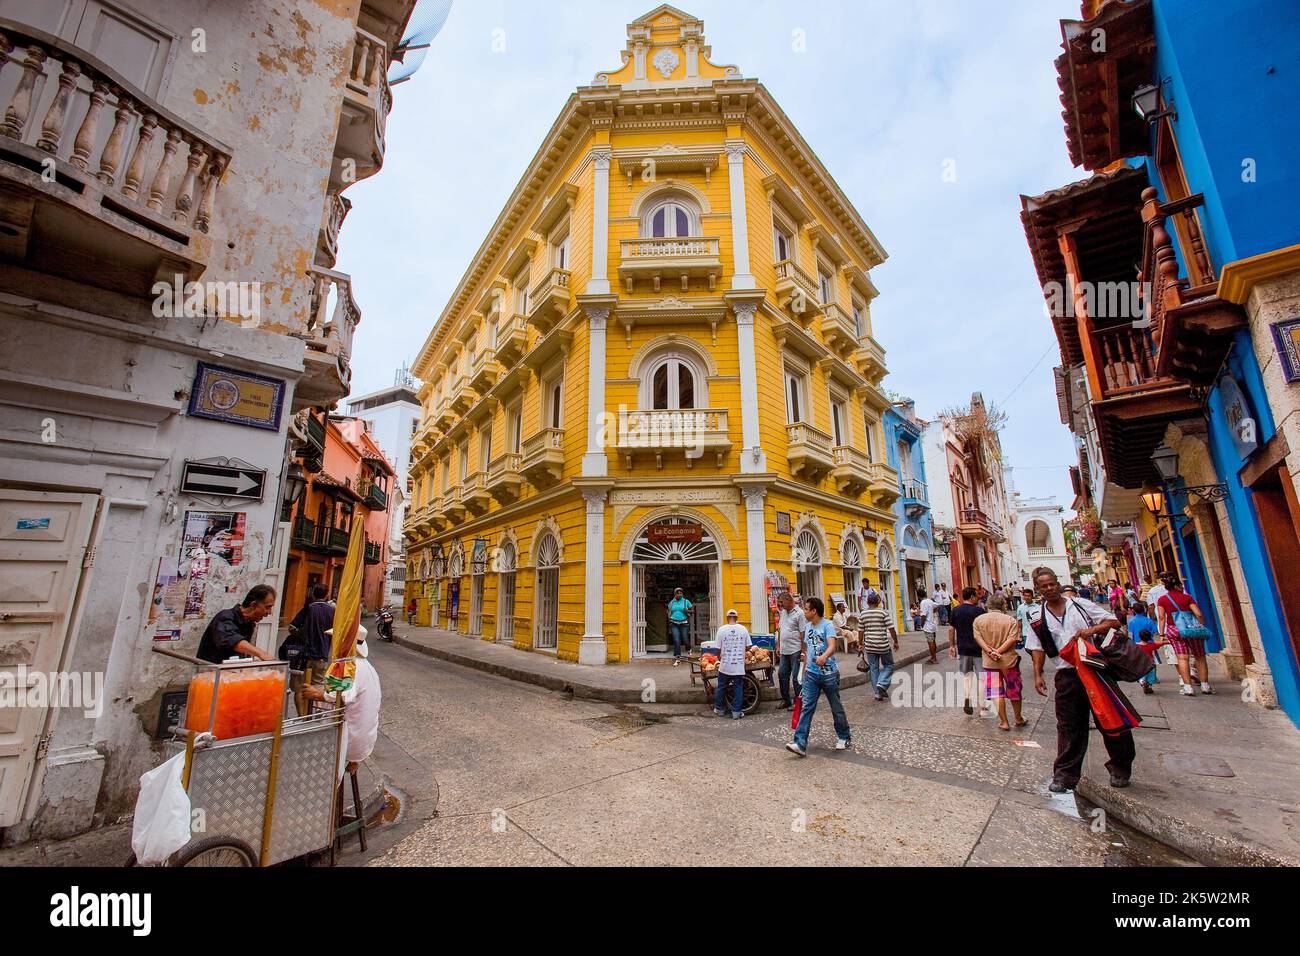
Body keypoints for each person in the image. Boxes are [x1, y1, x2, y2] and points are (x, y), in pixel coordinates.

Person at [1026, 567, 1133, 792]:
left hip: (1095, 670)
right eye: (1043, 586)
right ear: (1038, 590)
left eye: (1052, 583)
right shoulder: (1037, 617)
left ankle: (1120, 767)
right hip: (1067, 675)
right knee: (1068, 726)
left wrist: (1091, 630)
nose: (1049, 588)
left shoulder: (1081, 605)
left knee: (1110, 720)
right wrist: (1038, 674)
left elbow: (1112, 622)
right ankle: (1064, 775)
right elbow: (1037, 648)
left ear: (1058, 583)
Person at [303, 624, 382, 776]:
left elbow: (342, 696)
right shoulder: (367, 666)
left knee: (302, 739)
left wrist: (317, 694)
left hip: (350, 740)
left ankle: (325, 780)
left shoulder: (351, 666)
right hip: (364, 740)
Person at [786, 597, 851, 756]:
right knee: (807, 707)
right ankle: (800, 743)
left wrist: (824, 657)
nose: (805, 611)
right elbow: (807, 649)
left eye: (807, 609)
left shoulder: (827, 625)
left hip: (829, 674)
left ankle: (844, 736)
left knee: (835, 706)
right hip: (812, 674)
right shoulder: (808, 627)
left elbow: (832, 646)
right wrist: (805, 669)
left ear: (814, 610)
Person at [974, 593, 1027, 731]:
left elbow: (978, 638)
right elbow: (1012, 639)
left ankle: (1004, 722)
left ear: (988, 605)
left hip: (989, 662)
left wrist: (990, 652)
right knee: (1014, 689)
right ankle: (1018, 718)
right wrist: (999, 651)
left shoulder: (979, 620)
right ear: (1003, 604)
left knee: (996, 692)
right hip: (1008, 661)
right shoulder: (1010, 620)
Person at [1155, 576, 1213, 696]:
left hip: (1174, 630)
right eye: (1181, 585)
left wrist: (1161, 633)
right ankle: (1205, 686)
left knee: (1182, 658)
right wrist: (1201, 626)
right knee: (1200, 657)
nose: (1182, 587)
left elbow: (1161, 617)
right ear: (1177, 586)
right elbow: (1198, 614)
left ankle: (1187, 687)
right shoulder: (1187, 598)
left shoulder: (1162, 600)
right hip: (1191, 630)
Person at [285, 584, 335, 715]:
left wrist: (301, 634)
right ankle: (317, 713)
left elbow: (291, 627)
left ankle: (302, 717)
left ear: (314, 594)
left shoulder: (308, 609)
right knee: (318, 685)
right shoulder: (332, 611)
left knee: (299, 688)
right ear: (326, 595)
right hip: (322, 654)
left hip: (303, 655)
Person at [197, 585, 278, 664]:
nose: (269, 612)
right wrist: (261, 653)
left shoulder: (249, 624)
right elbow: (232, 640)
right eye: (268, 607)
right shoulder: (225, 617)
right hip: (209, 673)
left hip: (230, 673)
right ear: (253, 605)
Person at [950, 587, 986, 715]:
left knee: (967, 677)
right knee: (981, 678)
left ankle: (967, 698)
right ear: (971, 597)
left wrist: (952, 645)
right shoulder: (979, 611)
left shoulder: (956, 610)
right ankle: (983, 707)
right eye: (976, 596)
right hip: (979, 649)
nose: (978, 598)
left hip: (963, 648)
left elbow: (951, 629)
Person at [712, 609, 752, 719]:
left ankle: (720, 709)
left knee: (721, 687)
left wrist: (719, 657)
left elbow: (718, 648)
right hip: (738, 665)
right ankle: (736, 712)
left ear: (727, 618)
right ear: (737, 618)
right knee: (738, 687)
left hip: (725, 665)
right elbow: (749, 646)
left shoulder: (721, 630)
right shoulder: (743, 629)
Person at [859, 592, 899, 700]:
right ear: (878, 602)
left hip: (870, 646)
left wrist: (860, 644)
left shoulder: (863, 614)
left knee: (874, 668)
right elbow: (891, 628)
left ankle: (877, 693)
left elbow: (860, 631)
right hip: (883, 645)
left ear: (867, 602)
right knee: (889, 665)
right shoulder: (883, 613)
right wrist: (895, 641)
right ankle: (882, 683)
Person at [775, 592, 806, 710]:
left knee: (796, 677)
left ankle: (798, 701)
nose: (780, 605)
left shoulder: (800, 614)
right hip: (784, 650)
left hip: (796, 649)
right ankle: (785, 700)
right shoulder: (783, 613)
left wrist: (803, 652)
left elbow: (803, 633)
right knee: (782, 674)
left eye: (782, 602)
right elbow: (780, 630)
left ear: (789, 600)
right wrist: (778, 646)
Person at [1127, 600, 1160, 695]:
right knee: (1152, 663)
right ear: (1144, 610)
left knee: (1140, 663)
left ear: (1134, 611)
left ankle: (1142, 679)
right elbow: (1154, 631)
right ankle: (1150, 682)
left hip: (1137, 645)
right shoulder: (1148, 621)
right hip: (1149, 644)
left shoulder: (1132, 621)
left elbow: (1130, 634)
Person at [667, 587, 695, 664]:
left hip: (684, 623)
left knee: (685, 639)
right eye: (677, 593)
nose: (679, 595)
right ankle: (677, 657)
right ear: (675, 594)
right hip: (674, 623)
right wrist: (669, 618)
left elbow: (693, 611)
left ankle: (689, 649)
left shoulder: (686, 601)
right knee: (676, 640)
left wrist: (687, 611)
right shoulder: (672, 603)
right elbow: (668, 611)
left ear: (682, 594)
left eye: (680, 593)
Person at [919, 587, 941, 664]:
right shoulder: (930, 601)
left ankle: (934, 658)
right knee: (933, 641)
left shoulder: (923, 603)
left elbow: (923, 615)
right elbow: (938, 605)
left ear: (919, 596)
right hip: (933, 624)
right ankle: (933, 657)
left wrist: (921, 624)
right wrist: (933, 611)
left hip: (928, 625)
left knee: (930, 642)